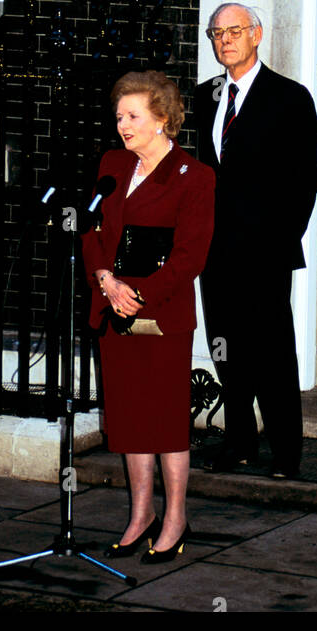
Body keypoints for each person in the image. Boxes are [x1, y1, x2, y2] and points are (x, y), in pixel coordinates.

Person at [82, 70, 215, 563]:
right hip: (112, 306)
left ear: (162, 119)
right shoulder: (112, 164)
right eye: (119, 116)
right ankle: (140, 516)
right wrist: (105, 280)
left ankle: (175, 516)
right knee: (129, 419)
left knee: (163, 422)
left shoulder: (195, 176)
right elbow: (92, 229)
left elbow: (190, 255)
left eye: (133, 116)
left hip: (160, 315)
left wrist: (137, 293)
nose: (123, 125)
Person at [194, 2, 317, 478]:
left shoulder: (289, 97)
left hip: (265, 250)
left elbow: (306, 175)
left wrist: (281, 237)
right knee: (227, 346)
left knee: (271, 352)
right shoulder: (207, 96)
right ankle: (240, 443)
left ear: (257, 35)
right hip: (214, 250)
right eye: (217, 33)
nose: (225, 40)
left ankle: (288, 454)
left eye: (234, 31)